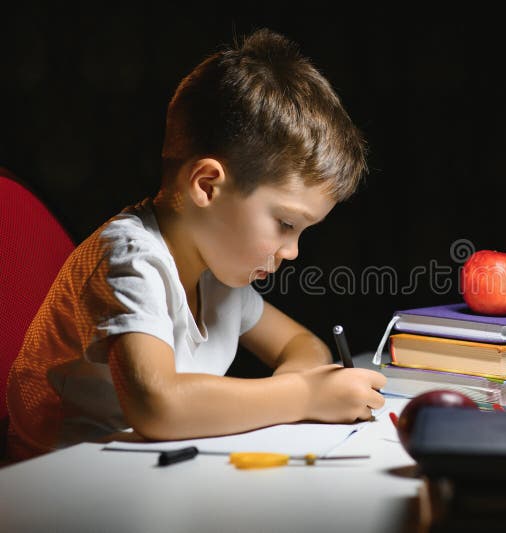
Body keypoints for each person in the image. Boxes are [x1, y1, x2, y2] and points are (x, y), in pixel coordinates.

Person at [5, 29, 386, 461]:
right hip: (54, 482)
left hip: (141, 470)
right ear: (207, 185)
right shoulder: (129, 257)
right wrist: (301, 395)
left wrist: (308, 387)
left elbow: (304, 346)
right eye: (285, 223)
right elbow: (157, 404)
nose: (292, 251)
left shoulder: (217, 273)